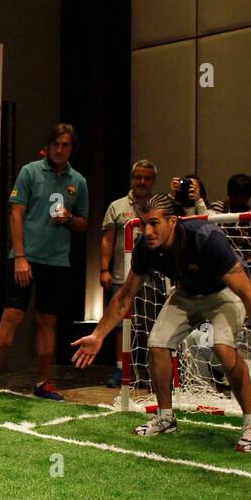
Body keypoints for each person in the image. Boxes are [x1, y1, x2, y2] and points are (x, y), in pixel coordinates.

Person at [71, 195, 251, 452]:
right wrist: (98, 335)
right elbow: (124, 296)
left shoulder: (206, 238)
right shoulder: (145, 246)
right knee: (157, 344)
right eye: (144, 224)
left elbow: (247, 293)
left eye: (154, 223)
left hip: (223, 295)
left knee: (222, 347)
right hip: (186, 293)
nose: (148, 231)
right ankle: (166, 417)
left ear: (173, 221)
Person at [0, 123, 89, 402]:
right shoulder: (30, 172)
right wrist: (21, 257)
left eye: (66, 145)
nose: (60, 150)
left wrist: (70, 219)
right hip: (25, 259)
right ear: (48, 146)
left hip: (57, 261)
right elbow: (16, 214)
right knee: (12, 316)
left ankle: (43, 382)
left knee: (47, 321)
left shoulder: (79, 181)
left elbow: (83, 224)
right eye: (56, 145)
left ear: (72, 148)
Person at [100, 160, 156, 388]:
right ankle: (121, 369)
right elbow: (107, 240)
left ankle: (149, 370)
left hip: (153, 277)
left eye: (147, 178)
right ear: (132, 179)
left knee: (149, 325)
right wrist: (104, 269)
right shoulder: (117, 206)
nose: (142, 182)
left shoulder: (158, 206)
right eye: (138, 177)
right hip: (123, 277)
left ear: (153, 181)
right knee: (121, 325)